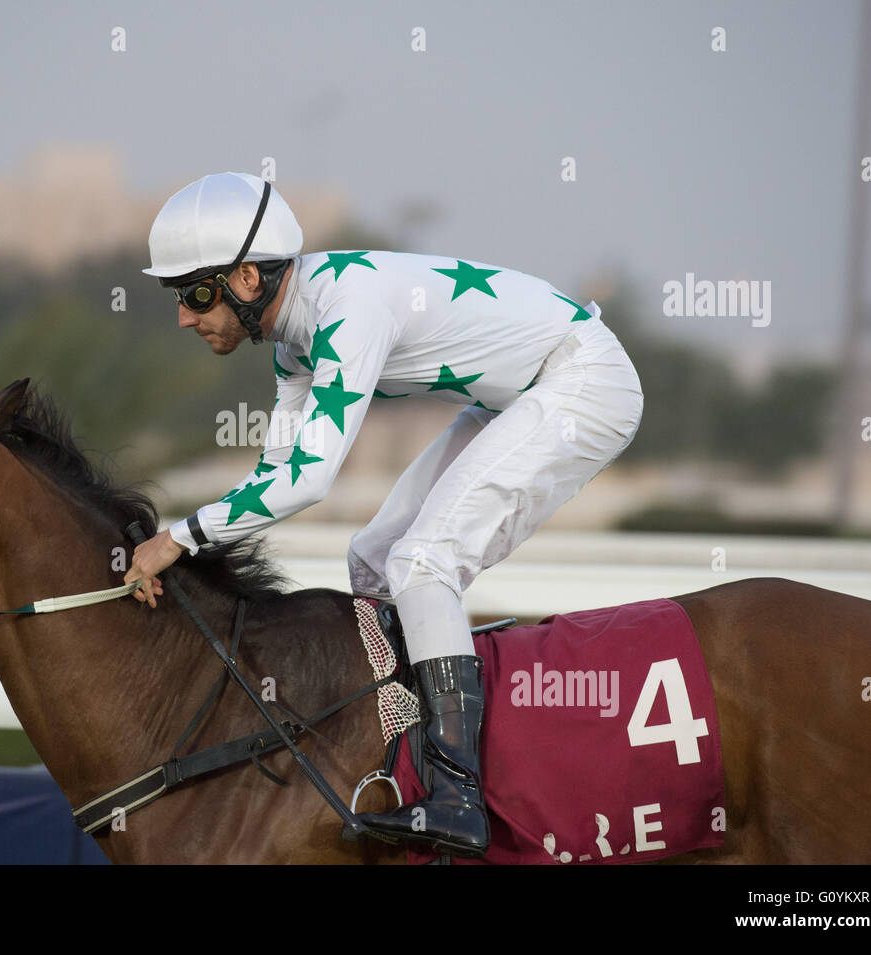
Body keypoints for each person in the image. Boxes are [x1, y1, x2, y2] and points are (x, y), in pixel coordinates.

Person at [124, 171, 643, 856]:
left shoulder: (348, 308)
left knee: (422, 561)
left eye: (195, 294)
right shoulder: (291, 343)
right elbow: (275, 473)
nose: (187, 317)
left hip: (583, 382)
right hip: (515, 396)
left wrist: (178, 538)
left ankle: (458, 797)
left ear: (248, 277)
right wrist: (191, 539)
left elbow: (310, 480)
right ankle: (401, 749)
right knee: (371, 558)